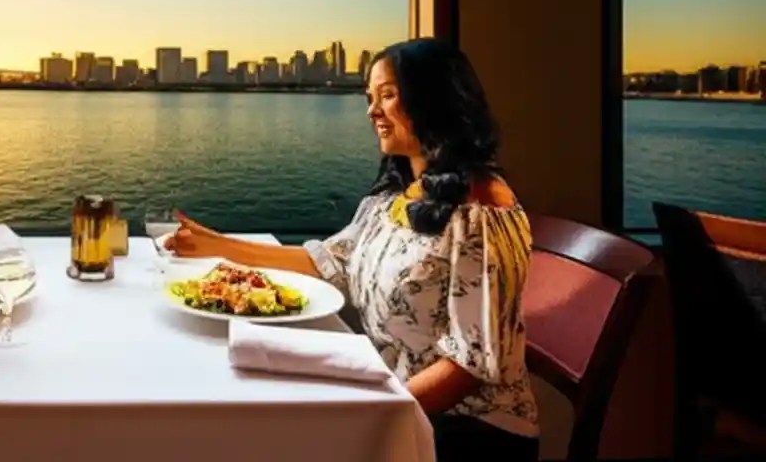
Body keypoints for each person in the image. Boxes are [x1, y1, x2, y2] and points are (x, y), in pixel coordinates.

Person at [168, 37, 539, 462]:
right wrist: (215, 245)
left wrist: (366, 416)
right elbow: (330, 261)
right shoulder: (396, 198)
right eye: (370, 97)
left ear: (434, 99)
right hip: (398, 399)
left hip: (463, 431)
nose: (372, 111)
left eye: (388, 95)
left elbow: (468, 367)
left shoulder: (482, 213)